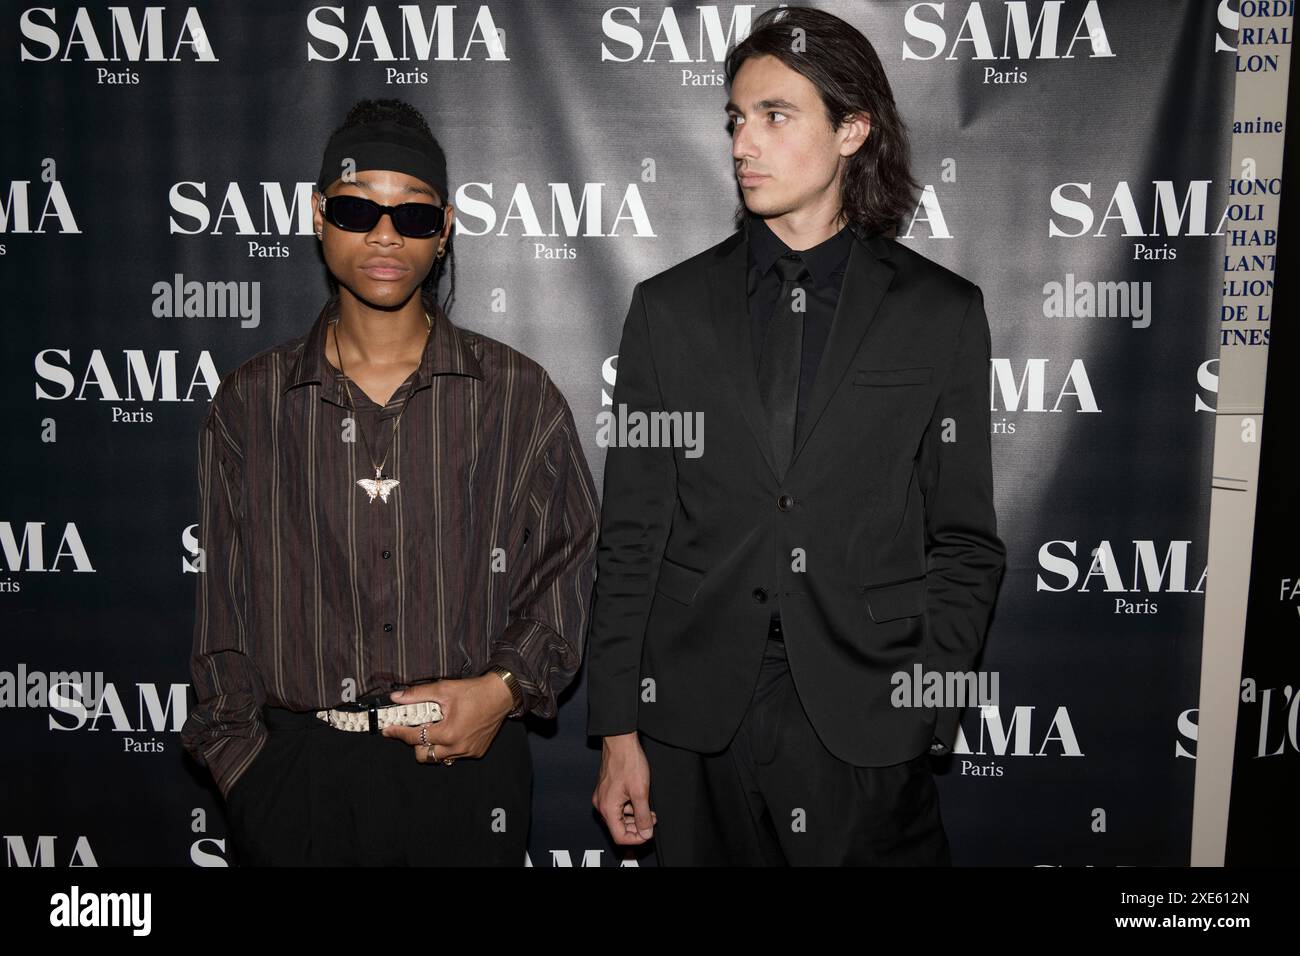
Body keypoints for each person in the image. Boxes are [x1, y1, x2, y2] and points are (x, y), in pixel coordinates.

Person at [586, 6, 1006, 865]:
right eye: (737, 119)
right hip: (693, 723)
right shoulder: (667, 311)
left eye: (776, 116)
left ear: (852, 129)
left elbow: (964, 540)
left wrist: (929, 704)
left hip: (865, 719)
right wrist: (617, 728)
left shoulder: (939, 313)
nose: (745, 142)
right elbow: (632, 535)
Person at [180, 98, 599, 866]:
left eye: (411, 216)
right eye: (355, 208)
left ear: (443, 231)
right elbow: (224, 608)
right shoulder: (250, 403)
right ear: (317, 215)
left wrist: (503, 690)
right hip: (296, 780)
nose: (383, 234)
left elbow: (571, 565)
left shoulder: (517, 393)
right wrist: (247, 770)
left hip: (467, 772)